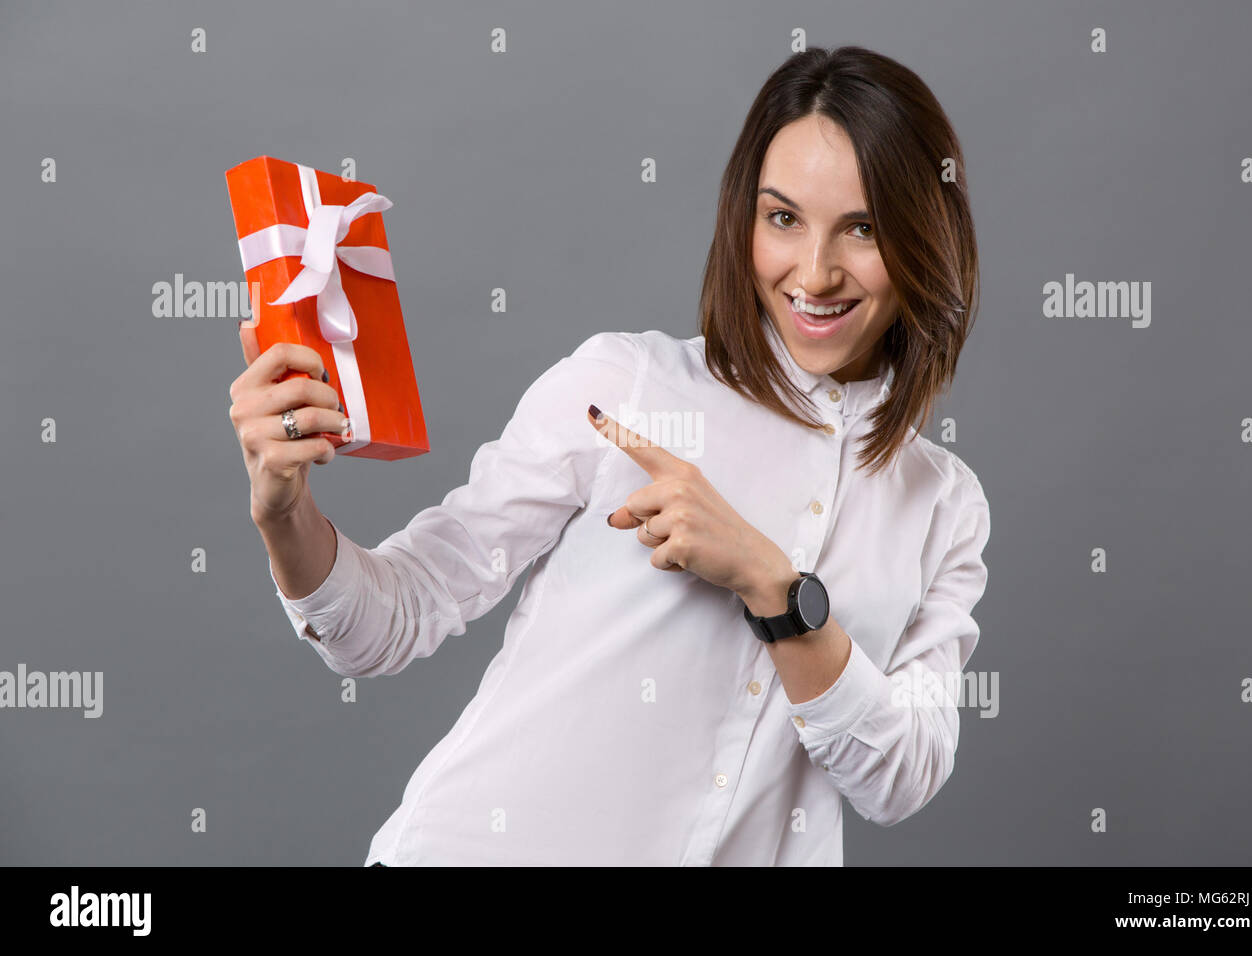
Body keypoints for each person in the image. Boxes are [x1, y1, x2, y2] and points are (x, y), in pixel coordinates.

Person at [227, 46, 991, 866]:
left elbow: (901, 778)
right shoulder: (621, 386)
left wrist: (775, 588)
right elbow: (387, 621)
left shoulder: (943, 505)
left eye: (863, 228)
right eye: (783, 218)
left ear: (923, 233)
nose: (814, 272)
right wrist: (286, 515)